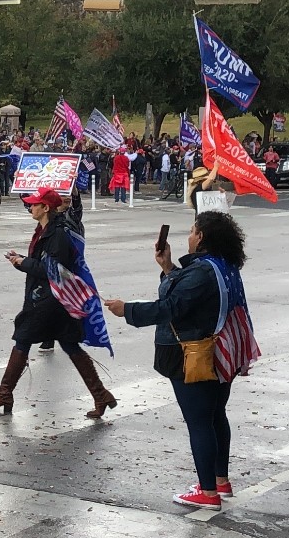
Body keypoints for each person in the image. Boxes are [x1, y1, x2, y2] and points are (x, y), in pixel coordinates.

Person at [102, 210, 260, 509]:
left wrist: (129, 310)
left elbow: (171, 306)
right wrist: (167, 267)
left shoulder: (201, 271)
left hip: (194, 353)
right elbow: (185, 294)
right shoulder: (222, 266)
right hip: (222, 351)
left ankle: (208, 492)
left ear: (201, 237)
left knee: (199, 421)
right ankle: (220, 481)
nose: (188, 236)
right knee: (215, 416)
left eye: (192, 231)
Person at [0, 188, 117, 419]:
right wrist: (21, 259)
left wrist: (22, 263)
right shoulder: (44, 230)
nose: (30, 207)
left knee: (22, 339)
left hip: (49, 301)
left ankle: (4, 394)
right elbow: (43, 262)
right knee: (70, 345)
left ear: (46, 208)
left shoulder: (58, 234)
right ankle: (101, 394)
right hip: (51, 300)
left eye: (34, 204)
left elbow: (52, 271)